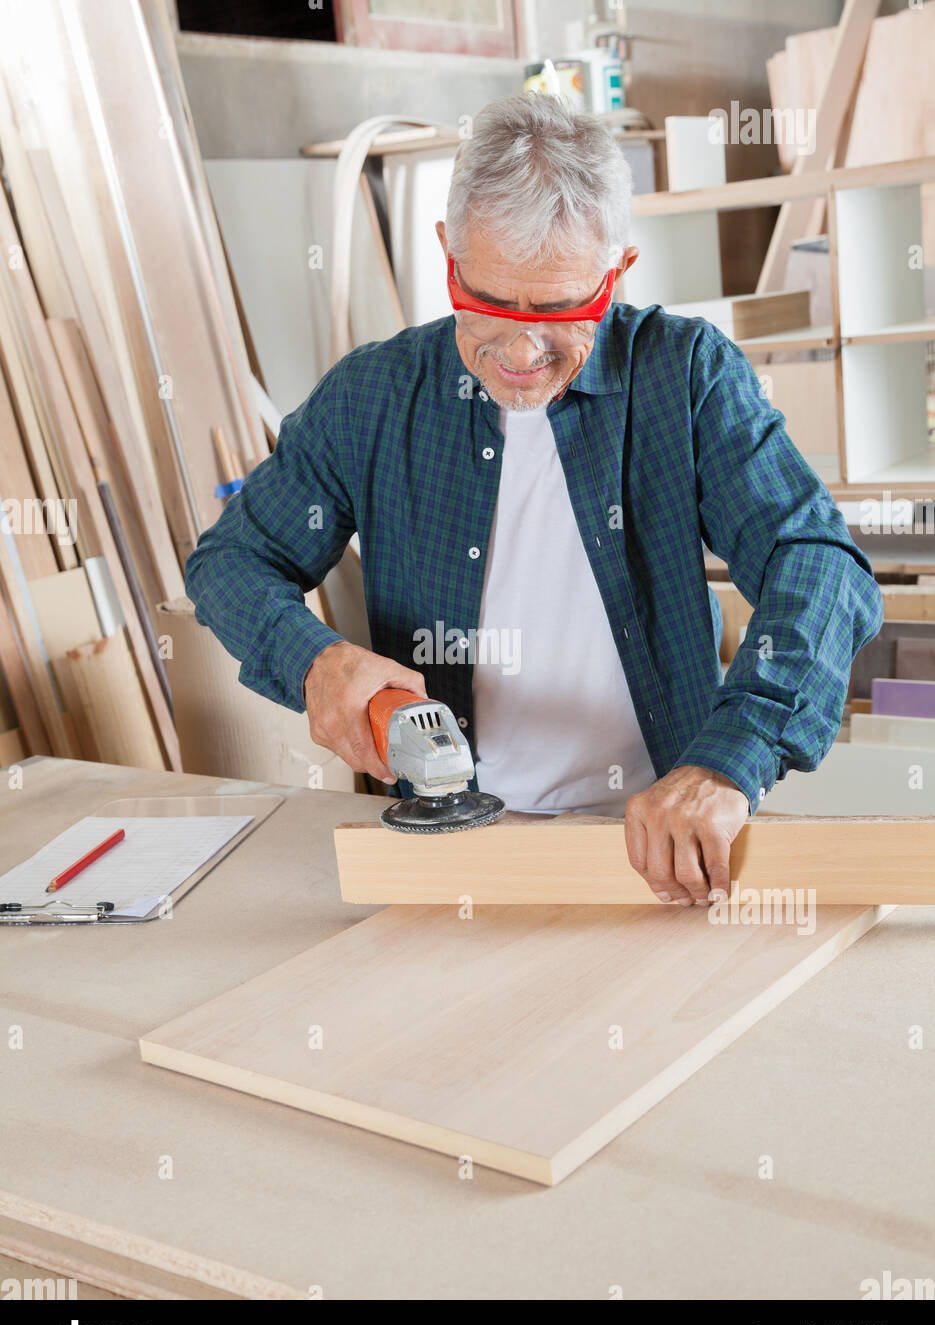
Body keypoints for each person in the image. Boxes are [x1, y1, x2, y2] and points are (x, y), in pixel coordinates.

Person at [186, 94, 882, 907]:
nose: (521, 350)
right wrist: (314, 659)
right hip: (451, 845)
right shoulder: (371, 397)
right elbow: (231, 562)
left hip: (667, 843)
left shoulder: (685, 377)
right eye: (489, 305)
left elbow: (819, 563)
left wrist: (735, 751)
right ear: (447, 255)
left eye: (558, 311)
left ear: (616, 272)